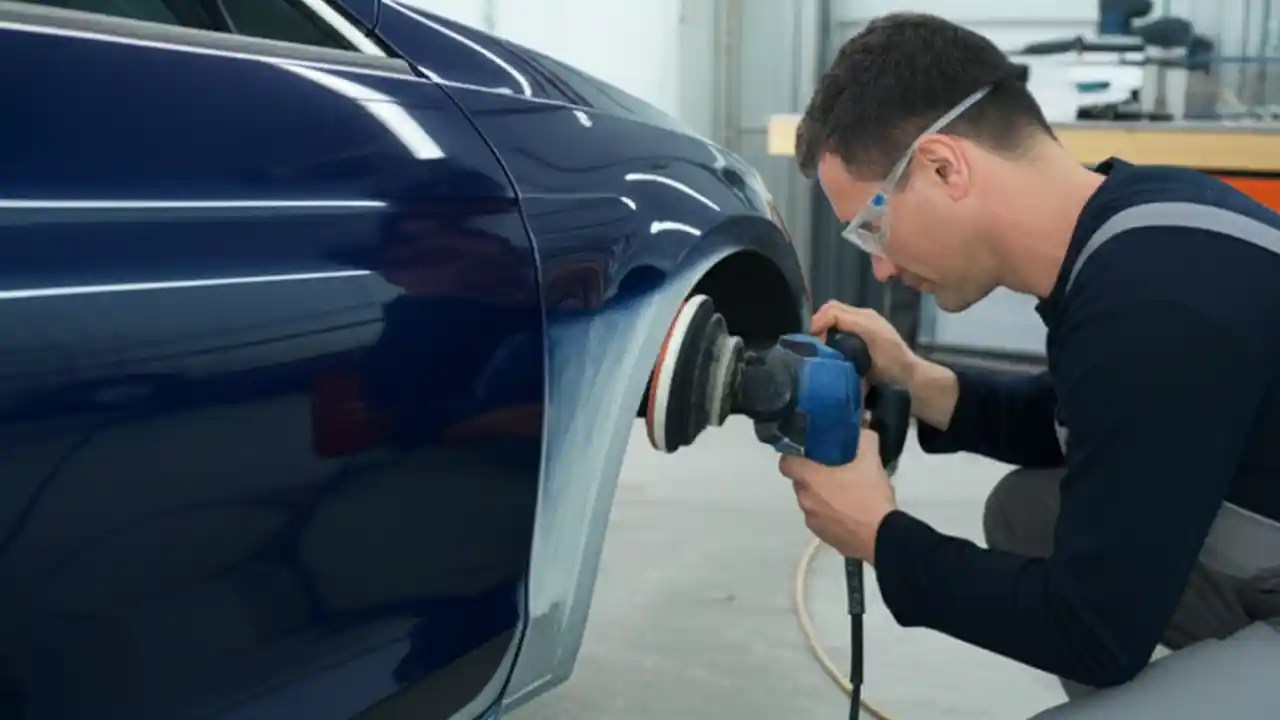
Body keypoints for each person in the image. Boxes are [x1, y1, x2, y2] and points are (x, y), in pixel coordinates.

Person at [779, 12, 1280, 718]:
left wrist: (882, 536)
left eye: (873, 227)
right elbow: (1103, 425)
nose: (883, 267)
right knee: (1029, 512)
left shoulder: (1152, 306)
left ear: (944, 166)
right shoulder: (1135, 227)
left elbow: (1093, 634)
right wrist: (920, 381)